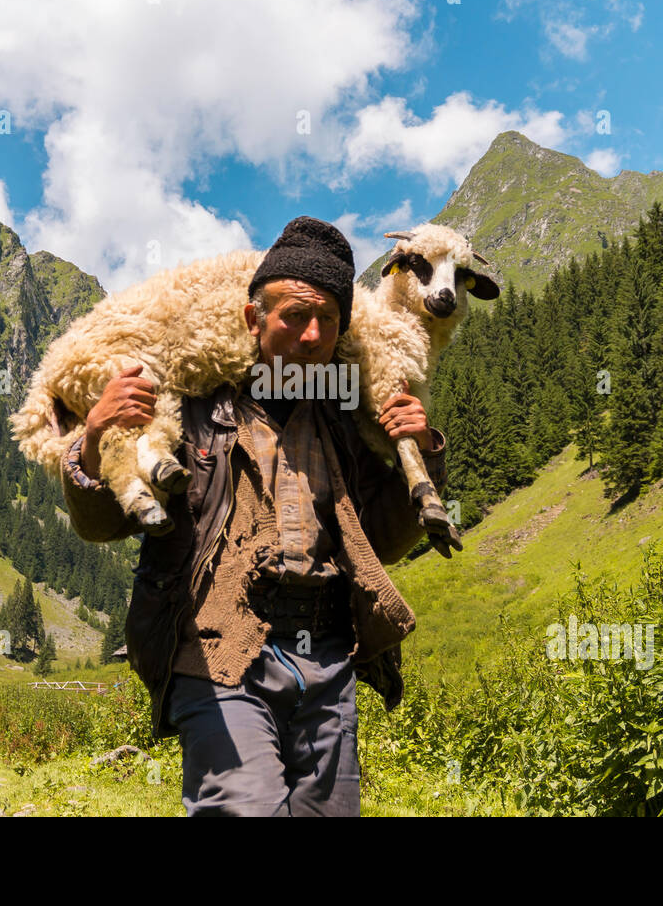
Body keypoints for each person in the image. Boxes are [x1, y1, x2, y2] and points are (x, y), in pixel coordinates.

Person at [60, 216, 447, 816]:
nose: (311, 335)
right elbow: (101, 524)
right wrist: (93, 436)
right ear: (254, 319)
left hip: (328, 655)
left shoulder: (344, 419)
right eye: (294, 315)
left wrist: (422, 452)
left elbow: (388, 543)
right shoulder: (193, 410)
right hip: (220, 649)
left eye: (328, 320)